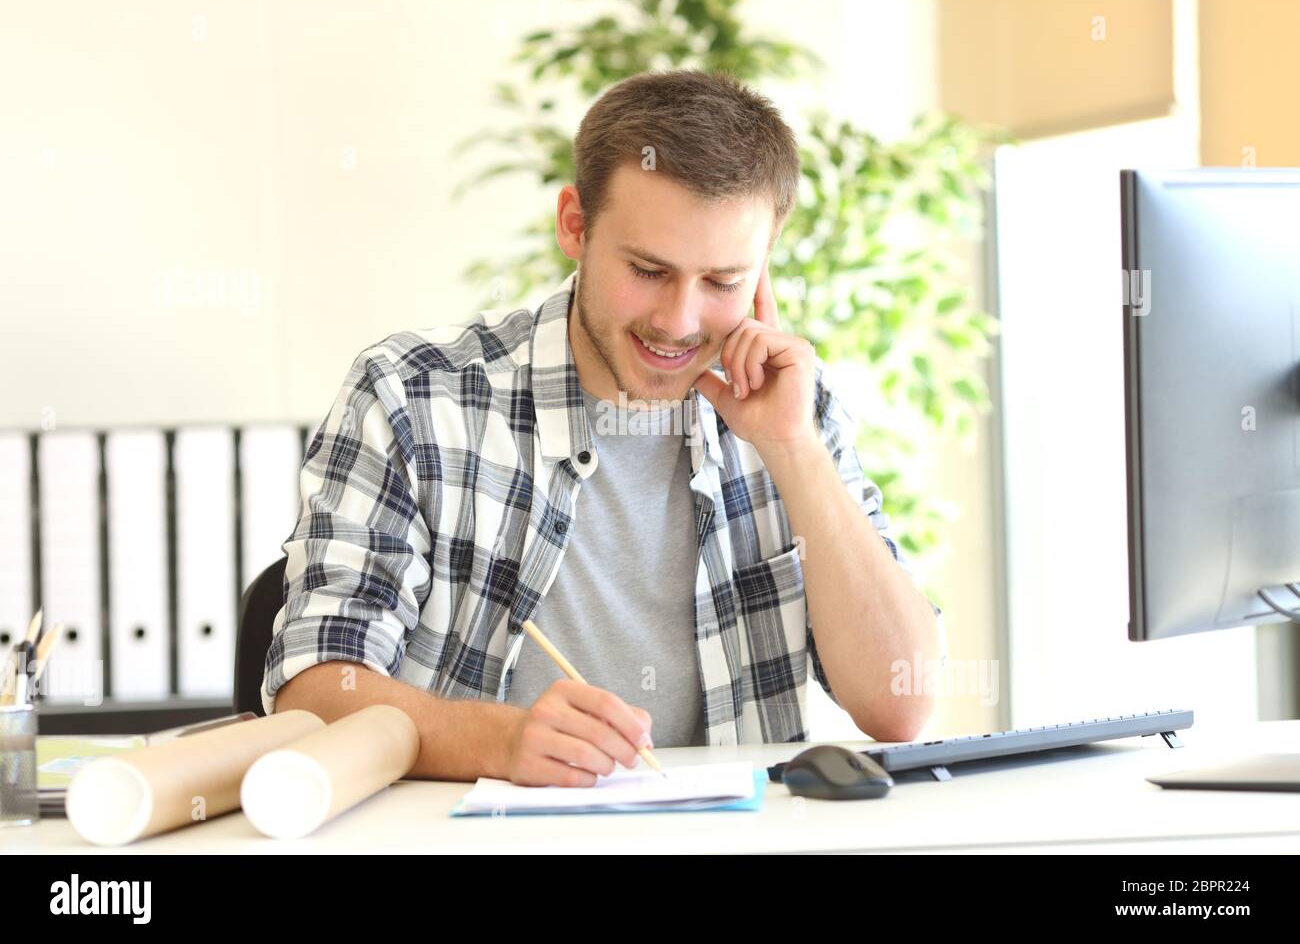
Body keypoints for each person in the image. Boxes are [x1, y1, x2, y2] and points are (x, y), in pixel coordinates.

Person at [264, 68, 947, 786]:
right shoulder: (411, 396)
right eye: (649, 270)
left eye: (722, 282)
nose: (679, 322)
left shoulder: (793, 407)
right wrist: (497, 741)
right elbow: (311, 692)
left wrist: (794, 450)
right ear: (575, 226)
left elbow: (898, 706)